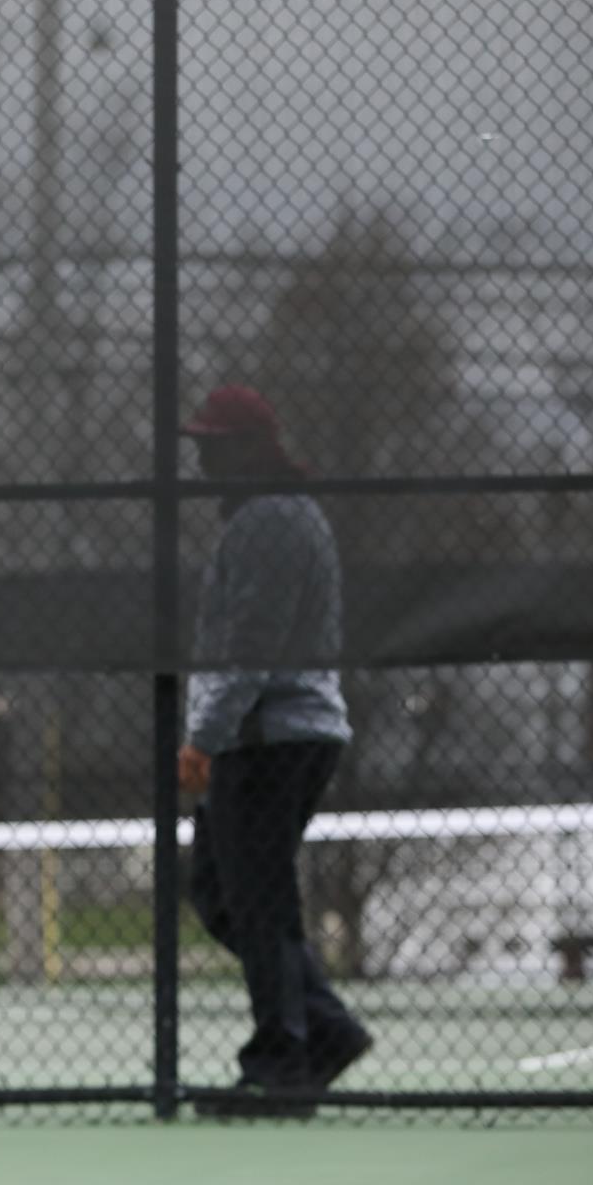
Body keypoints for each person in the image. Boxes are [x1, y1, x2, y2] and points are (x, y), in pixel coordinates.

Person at [177, 385, 371, 1119]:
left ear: (248, 451)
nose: (201, 459)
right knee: (230, 894)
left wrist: (205, 737)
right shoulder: (278, 516)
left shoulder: (268, 520)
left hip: (271, 739)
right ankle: (325, 1030)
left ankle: (283, 1066)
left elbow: (251, 647)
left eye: (213, 445)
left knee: (257, 903)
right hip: (281, 734)